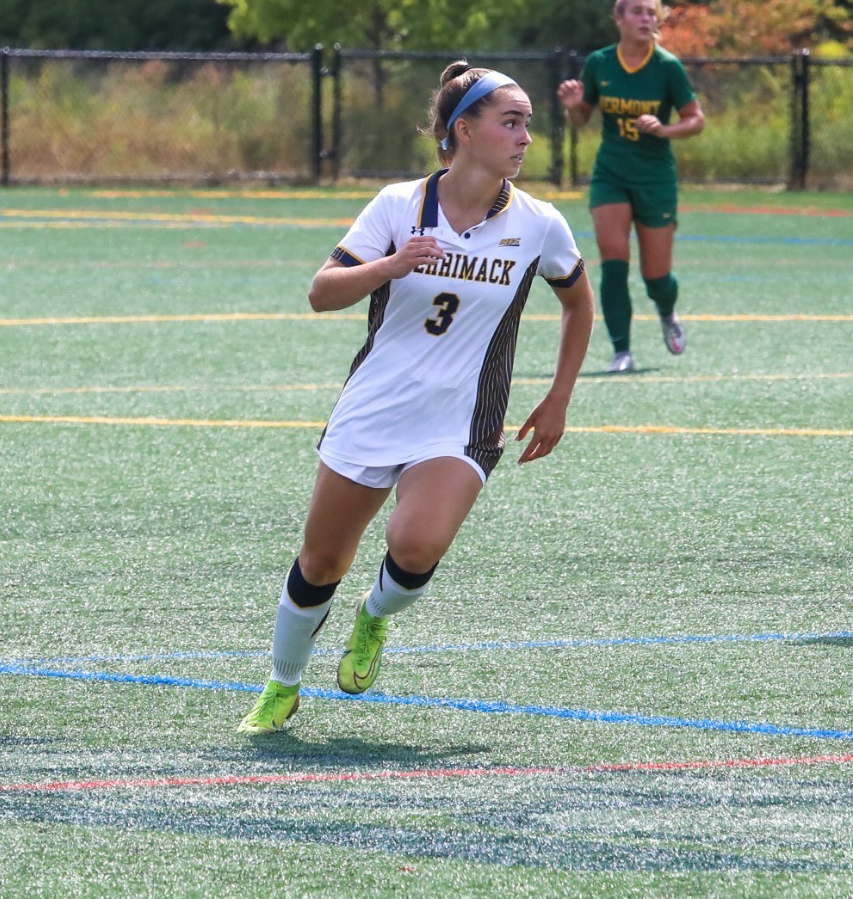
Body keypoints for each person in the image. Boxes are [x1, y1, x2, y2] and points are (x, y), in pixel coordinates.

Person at [237, 62, 594, 734]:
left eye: (527, 124)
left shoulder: (540, 223)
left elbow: (578, 302)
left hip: (461, 423)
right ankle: (281, 686)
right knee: (321, 560)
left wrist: (559, 397)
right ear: (464, 130)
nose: (525, 137)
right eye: (510, 122)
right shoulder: (399, 205)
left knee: (416, 541)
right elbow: (322, 292)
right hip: (374, 408)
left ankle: (372, 619)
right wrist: (391, 265)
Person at [558, 0, 706, 373]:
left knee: (655, 275)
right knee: (614, 260)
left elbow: (696, 121)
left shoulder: (666, 66)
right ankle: (621, 350)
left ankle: (666, 309)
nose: (646, 19)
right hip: (611, 173)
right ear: (619, 19)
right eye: (637, 12)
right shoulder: (600, 63)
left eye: (651, 12)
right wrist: (574, 108)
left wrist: (663, 128)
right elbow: (581, 118)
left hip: (655, 177)